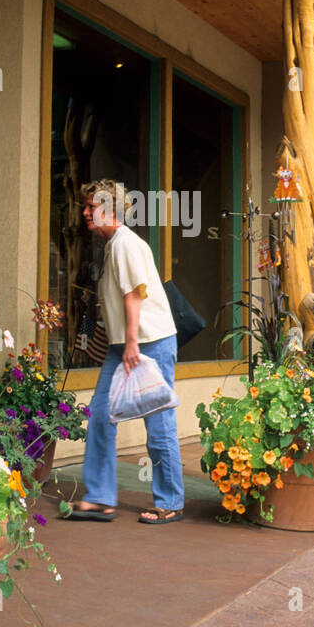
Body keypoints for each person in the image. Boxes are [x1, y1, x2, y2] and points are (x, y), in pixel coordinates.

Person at [61, 179, 185, 524]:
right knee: (100, 415)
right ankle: (100, 497)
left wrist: (131, 342)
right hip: (124, 346)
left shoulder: (125, 245)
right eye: (85, 207)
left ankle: (170, 502)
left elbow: (135, 294)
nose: (85, 213)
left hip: (150, 343)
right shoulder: (113, 245)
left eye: (91, 207)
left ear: (111, 210)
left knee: (158, 425)